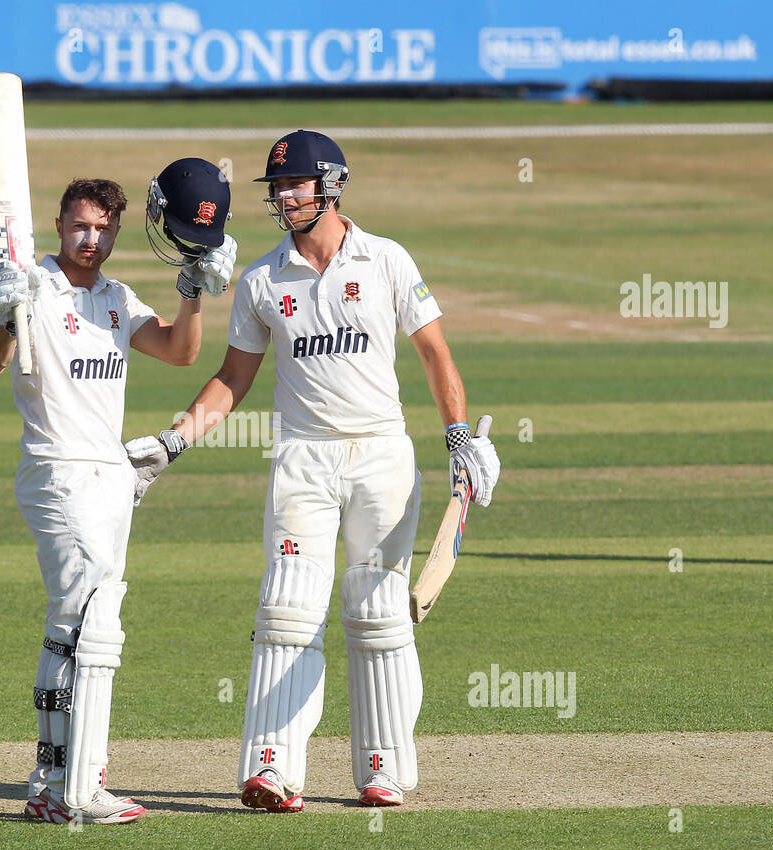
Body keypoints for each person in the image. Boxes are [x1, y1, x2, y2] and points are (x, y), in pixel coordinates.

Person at [125, 131, 500, 812]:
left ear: (331, 184)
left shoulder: (385, 259)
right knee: (287, 608)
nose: (286, 198)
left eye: (296, 185)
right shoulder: (263, 280)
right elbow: (232, 377)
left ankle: (381, 768)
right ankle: (271, 764)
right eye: (278, 190)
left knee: (378, 612)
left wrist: (456, 435)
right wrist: (175, 441)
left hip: (382, 454)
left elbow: (434, 353)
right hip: (303, 458)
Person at [0, 165, 237, 824]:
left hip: (111, 477)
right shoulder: (32, 285)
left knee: (73, 625)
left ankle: (50, 785)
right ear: (60, 225)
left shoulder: (119, 298)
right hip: (55, 470)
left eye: (101, 229)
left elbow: (180, 353)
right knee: (93, 620)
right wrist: (10, 317)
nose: (89, 239)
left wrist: (194, 294)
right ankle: (79, 789)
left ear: (116, 230)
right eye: (79, 226)